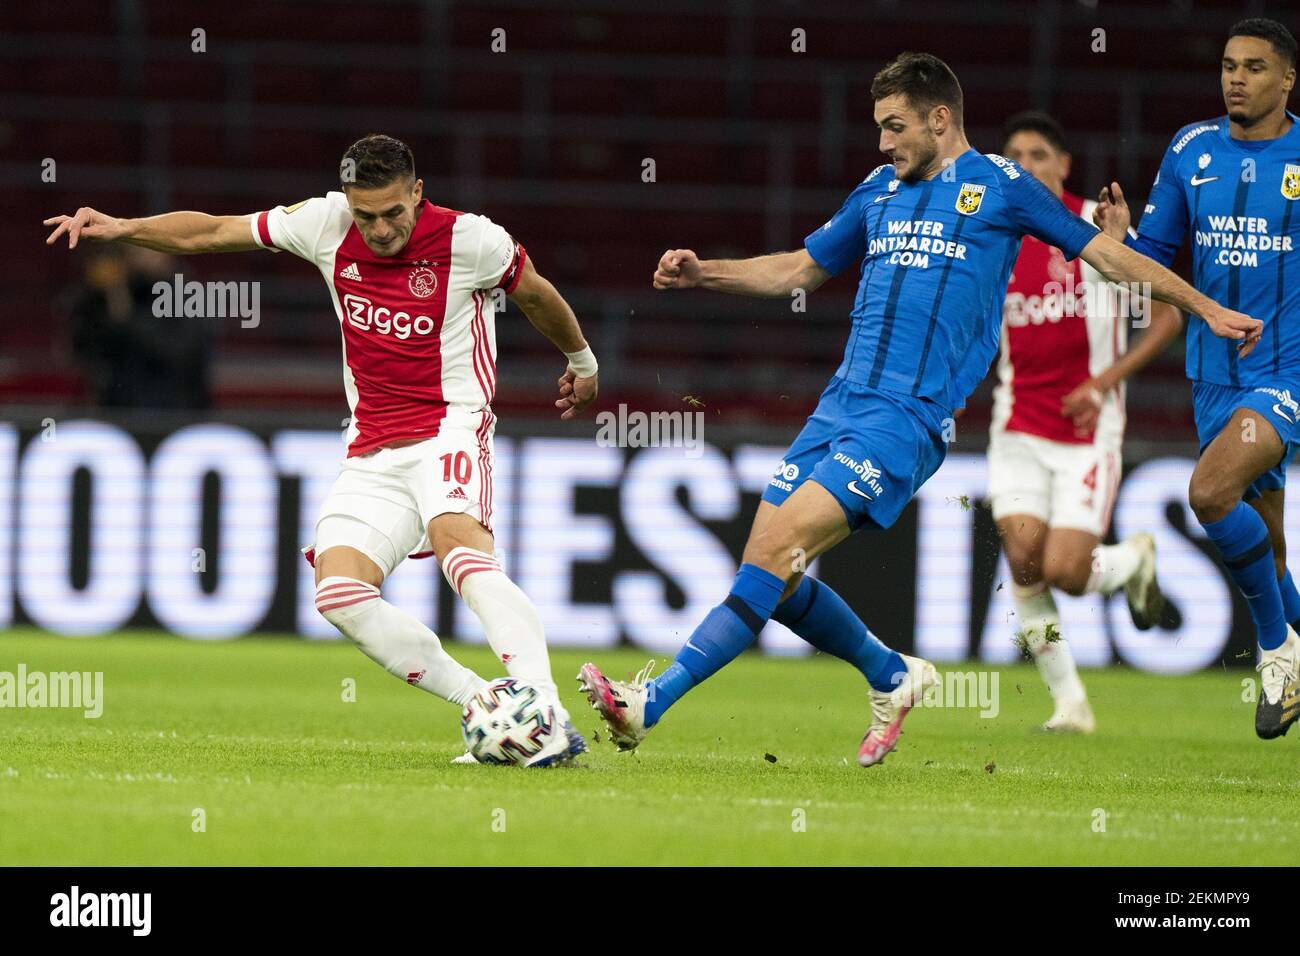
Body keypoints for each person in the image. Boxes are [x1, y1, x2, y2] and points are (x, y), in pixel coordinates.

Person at [578, 52, 1260, 766]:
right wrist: (704, 274)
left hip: (903, 420)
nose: (882, 143)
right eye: (879, 128)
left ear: (940, 119)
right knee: (771, 576)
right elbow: (801, 268)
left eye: (894, 126)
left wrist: (1204, 304)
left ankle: (647, 704)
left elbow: (1110, 259)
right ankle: (892, 676)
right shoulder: (878, 189)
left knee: (775, 556)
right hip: (836, 407)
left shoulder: (1002, 187)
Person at [45, 134, 598, 766]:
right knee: (338, 595)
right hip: (370, 449)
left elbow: (535, 292)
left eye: (394, 211)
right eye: (367, 215)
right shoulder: (324, 223)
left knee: (458, 547)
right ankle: (489, 708)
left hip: (451, 425)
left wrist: (582, 362)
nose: (382, 228)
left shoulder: (471, 239)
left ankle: (544, 708)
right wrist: (124, 228)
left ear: (418, 193)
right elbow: (212, 232)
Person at [1093, 17, 1300, 740]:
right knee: (1270, 552)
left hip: (1287, 372)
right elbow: (1153, 262)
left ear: (1286, 80)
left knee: (1209, 492)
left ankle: (1277, 656)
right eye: (1227, 65)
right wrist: (1119, 247)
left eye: (1253, 67)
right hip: (1212, 376)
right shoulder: (1191, 149)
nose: (1235, 78)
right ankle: (1293, 637)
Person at [991, 111, 1182, 733]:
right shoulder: (995, 235)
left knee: (1067, 572)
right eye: (1014, 154)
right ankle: (1069, 704)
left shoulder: (1094, 230)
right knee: (1023, 556)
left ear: (1065, 164)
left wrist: (1103, 382)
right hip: (1017, 423)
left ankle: (1131, 563)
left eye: (1038, 153)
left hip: (1087, 431)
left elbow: (1166, 320)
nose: (1025, 165)